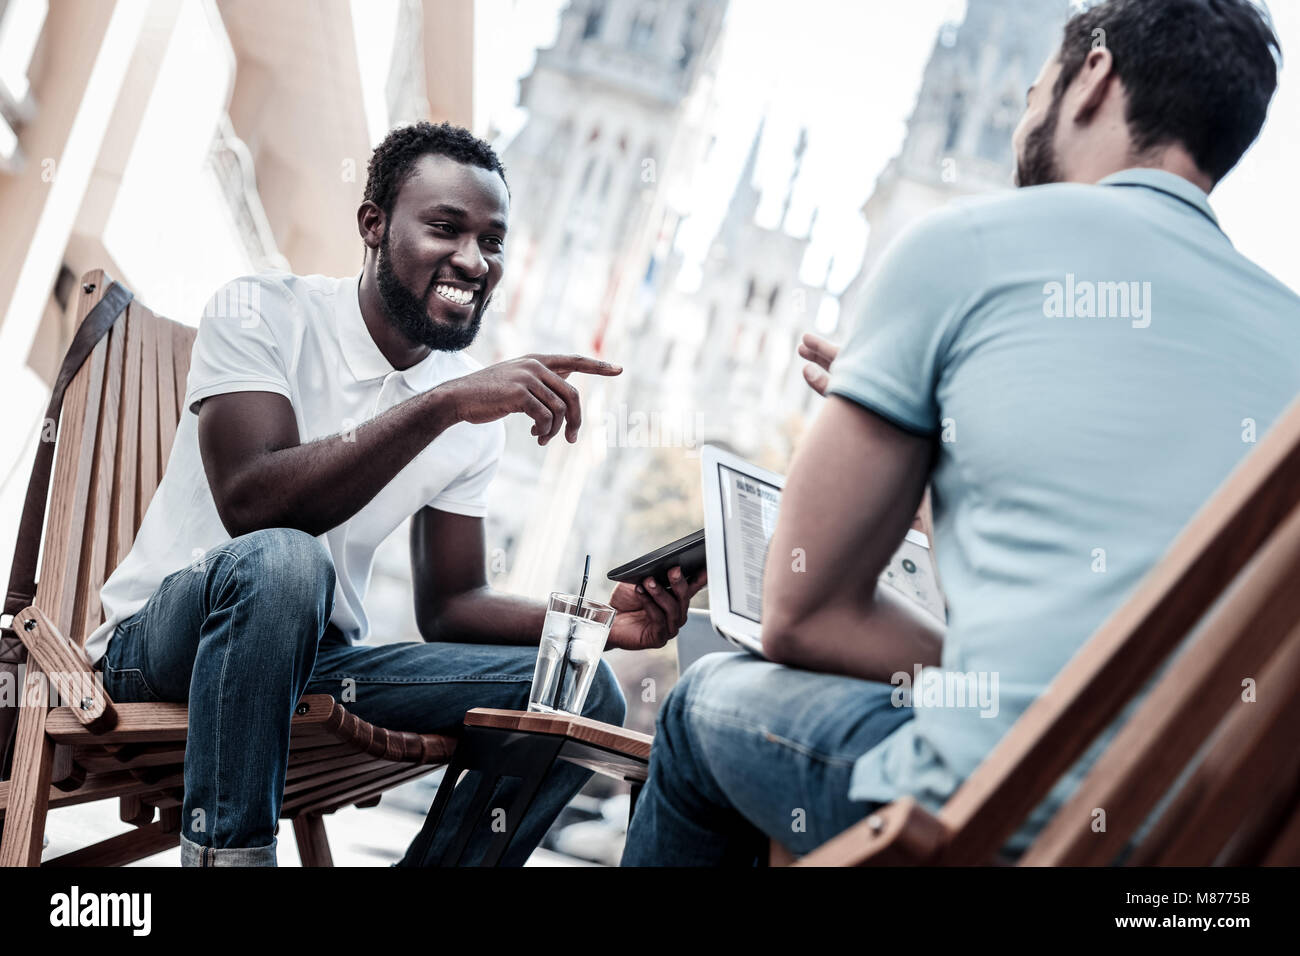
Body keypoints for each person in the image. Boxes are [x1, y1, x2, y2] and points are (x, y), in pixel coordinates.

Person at [621, 0, 1298, 866]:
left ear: (1093, 77)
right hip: (1208, 862)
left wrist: (1016, 680)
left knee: (701, 703)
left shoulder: (964, 249)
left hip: (997, 821)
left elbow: (801, 615)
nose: (1024, 108)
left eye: (1036, 85)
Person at [86, 122, 706, 867]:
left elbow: (450, 605)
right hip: (162, 648)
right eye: (446, 228)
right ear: (373, 224)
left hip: (319, 667)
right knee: (286, 563)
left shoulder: (472, 411)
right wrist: (441, 404)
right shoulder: (262, 311)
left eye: (493, 241)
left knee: (582, 687)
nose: (473, 261)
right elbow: (255, 505)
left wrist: (605, 625)